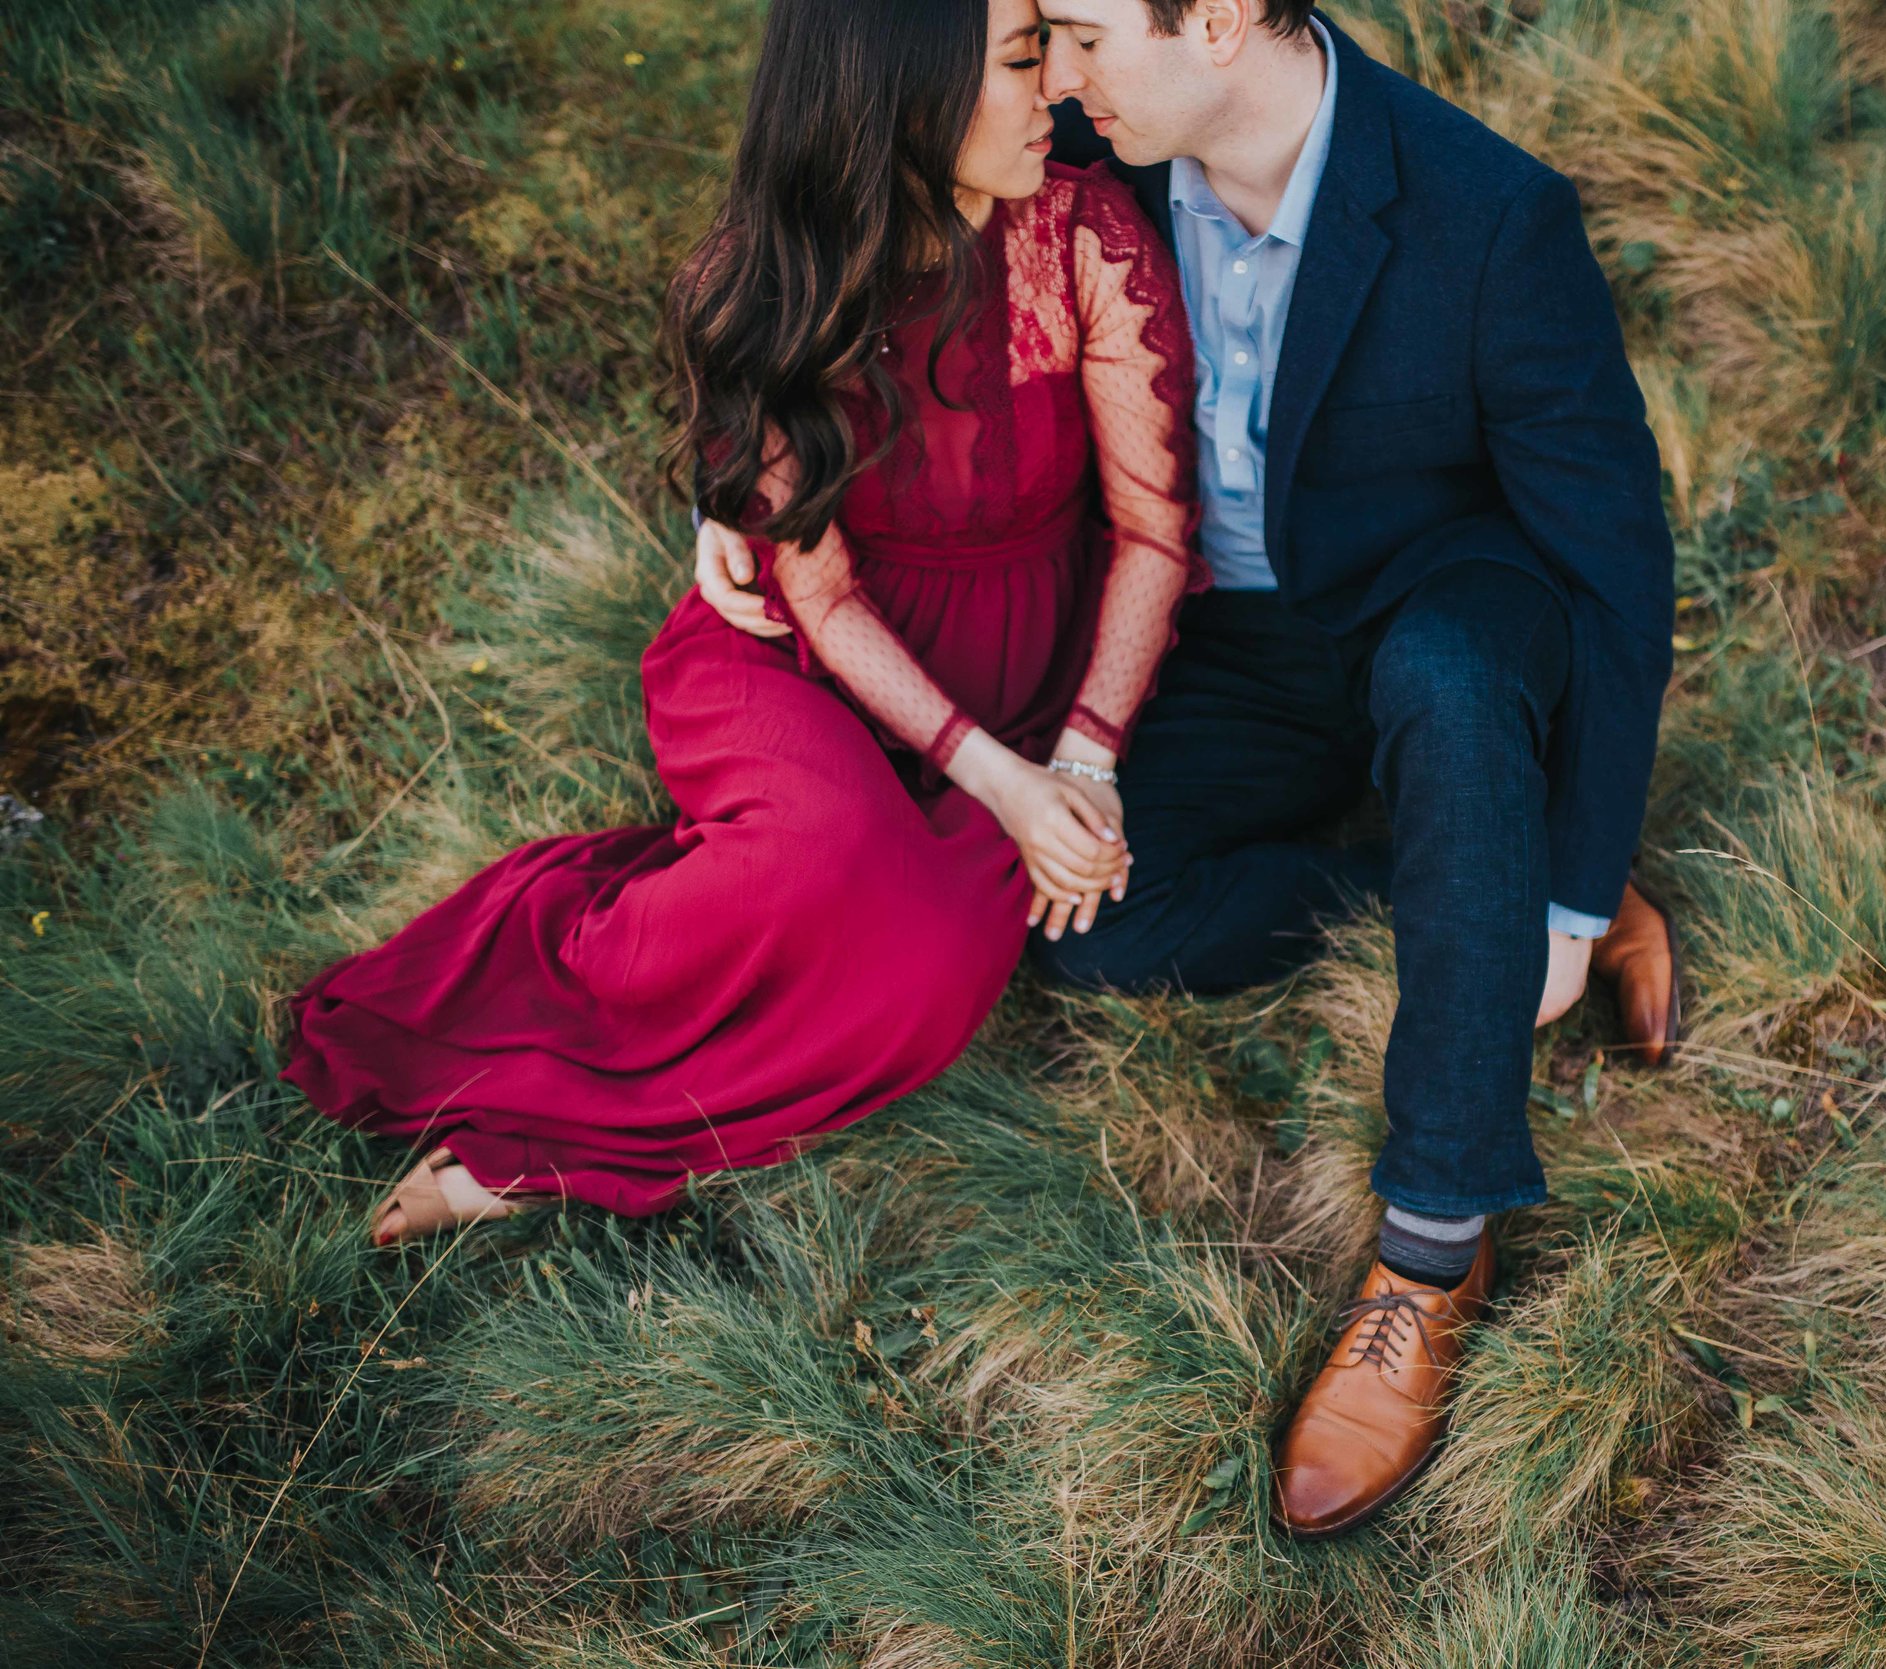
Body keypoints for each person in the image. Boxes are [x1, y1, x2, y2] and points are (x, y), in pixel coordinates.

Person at [695, 0, 1683, 1537]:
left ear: (1215, 20)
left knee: (1453, 676)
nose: (1055, 76)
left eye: (1079, 35)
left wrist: (1563, 882)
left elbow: (1616, 567)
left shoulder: (1492, 215)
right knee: (1087, 922)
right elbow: (841, 203)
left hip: (1443, 606)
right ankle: (1455, 887)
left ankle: (1430, 1247)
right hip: (1220, 635)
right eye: (1047, 49)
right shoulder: (1079, 141)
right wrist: (742, 488)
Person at [283, 0, 1201, 1245]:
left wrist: (1075, 762)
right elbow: (815, 592)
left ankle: (556, 1149)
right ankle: (562, 1036)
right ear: (905, 94)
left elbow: (1152, 530)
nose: (1060, 93)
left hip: (1020, 677)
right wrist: (997, 783)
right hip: (801, 655)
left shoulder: (1083, 234)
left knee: (931, 973)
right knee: (815, 858)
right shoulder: (763, 282)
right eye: (1021, 61)